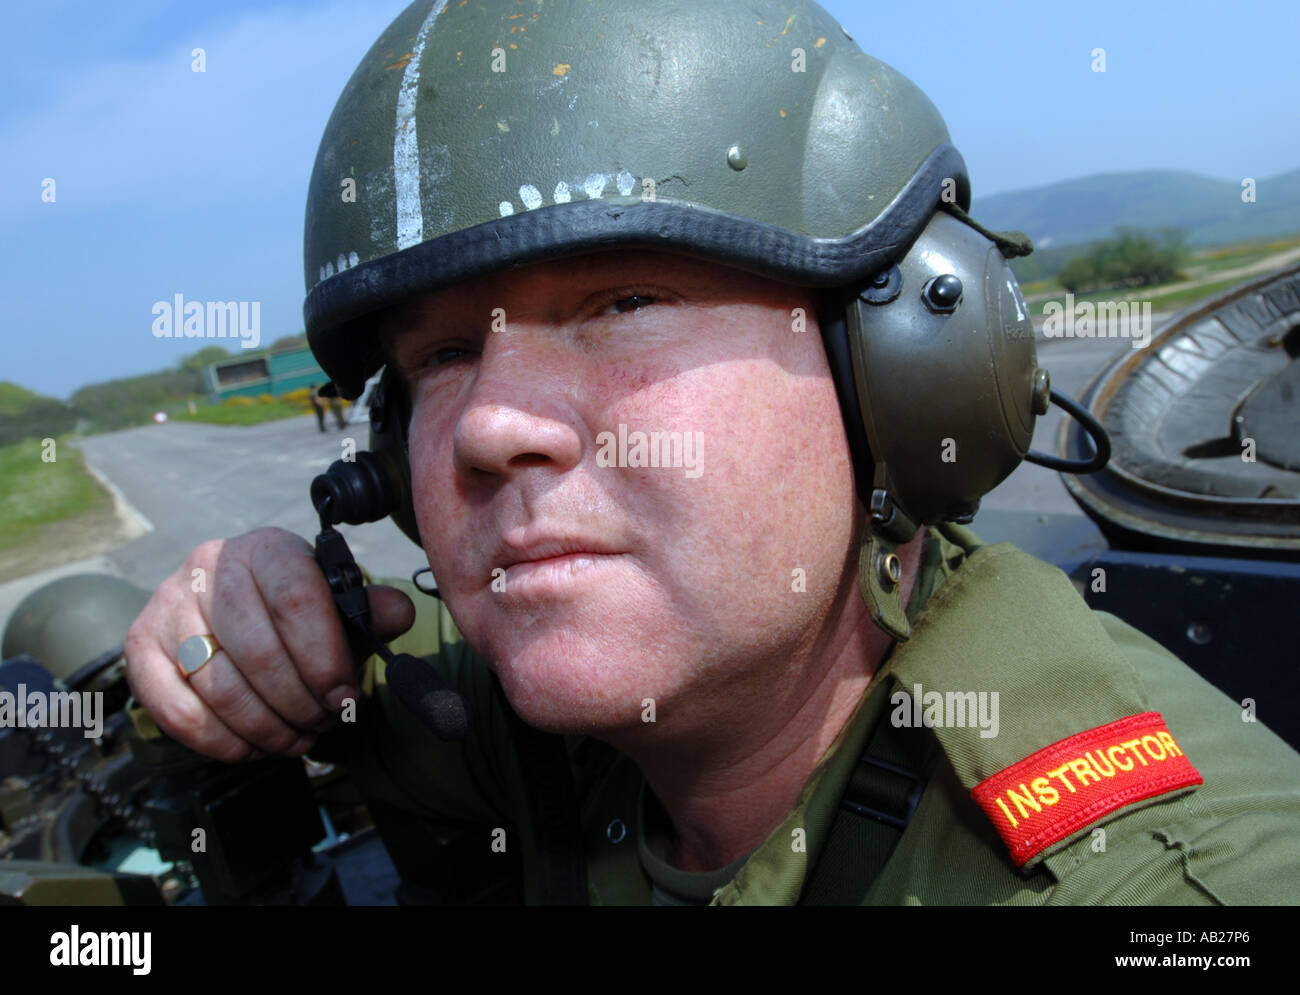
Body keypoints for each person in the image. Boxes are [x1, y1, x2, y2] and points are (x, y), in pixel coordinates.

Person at [123, 0, 1300, 905]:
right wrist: (225, 628)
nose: (487, 425)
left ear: (893, 368)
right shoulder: (530, 717)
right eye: (438, 356)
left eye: (625, 301)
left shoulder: (1152, 882)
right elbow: (248, 671)